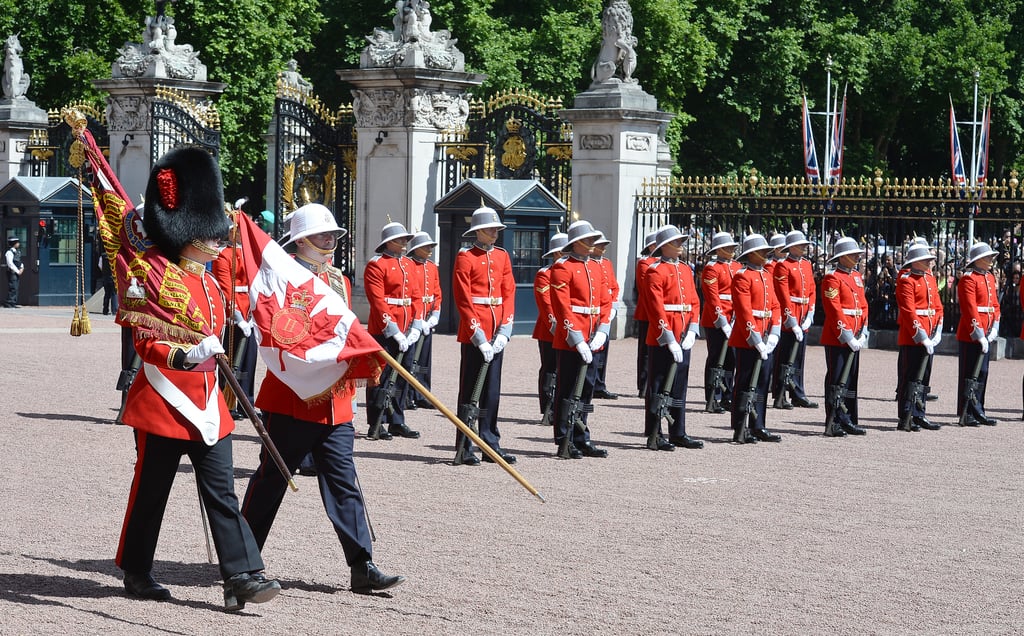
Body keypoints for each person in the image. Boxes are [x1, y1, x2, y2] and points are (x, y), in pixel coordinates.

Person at [114, 147, 280, 610]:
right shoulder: (150, 273)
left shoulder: (209, 281)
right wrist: (186, 355)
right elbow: (145, 341)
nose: (215, 238)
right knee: (152, 491)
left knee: (222, 490)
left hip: (208, 400)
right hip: (165, 399)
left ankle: (241, 576)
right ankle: (137, 569)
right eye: (205, 229)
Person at [241, 202, 405, 595]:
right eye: (322, 234)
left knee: (344, 482)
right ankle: (243, 558)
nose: (330, 240)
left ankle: (361, 564)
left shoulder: (339, 280)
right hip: (294, 396)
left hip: (336, 398)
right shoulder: (282, 276)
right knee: (272, 480)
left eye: (333, 234)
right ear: (300, 240)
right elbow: (286, 333)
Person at [452, 205, 517, 465]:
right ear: (478, 231)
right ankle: (465, 444)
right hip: (475, 332)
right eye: (490, 229)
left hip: (496, 327)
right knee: (469, 390)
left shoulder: (502, 256)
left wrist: (505, 329)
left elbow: (509, 292)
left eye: (496, 228)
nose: (495, 232)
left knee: (492, 391)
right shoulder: (465, 256)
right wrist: (477, 334)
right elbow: (463, 298)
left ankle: (490, 442)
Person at [549, 220, 612, 459]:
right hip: (572, 337)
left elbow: (605, 301)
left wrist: (603, 330)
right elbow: (563, 307)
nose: (592, 244)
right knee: (567, 388)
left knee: (586, 388)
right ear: (576, 243)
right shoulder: (562, 267)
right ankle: (564, 437)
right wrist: (577, 338)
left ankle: (581, 435)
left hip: (594, 333)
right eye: (588, 240)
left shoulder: (595, 267)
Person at [643, 225, 702, 451]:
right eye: (676, 242)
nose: (680, 246)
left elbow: (695, 302)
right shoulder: (655, 271)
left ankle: (678, 431)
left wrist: (692, 329)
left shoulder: (685, 270)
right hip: (663, 334)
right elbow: (656, 308)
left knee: (680, 384)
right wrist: (668, 337)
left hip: (684, 330)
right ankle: (655, 433)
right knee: (658, 384)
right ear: (664, 246)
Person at [363, 222, 423, 440]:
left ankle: (397, 419)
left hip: (407, 327)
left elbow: (416, 296)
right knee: (380, 376)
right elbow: (378, 301)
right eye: (401, 240)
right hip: (385, 329)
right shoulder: (377, 265)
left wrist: (416, 324)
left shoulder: (407, 264)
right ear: (389, 242)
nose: (405, 243)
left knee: (403, 375)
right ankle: (376, 422)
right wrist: (393, 330)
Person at [729, 233, 782, 444]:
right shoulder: (743, 276)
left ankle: (758, 424)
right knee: (744, 382)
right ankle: (740, 426)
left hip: (766, 335)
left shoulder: (767, 275)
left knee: (762, 382)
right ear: (751, 255)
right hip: (747, 338)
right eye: (762, 252)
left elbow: (775, 305)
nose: (766, 255)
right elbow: (744, 311)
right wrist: (755, 338)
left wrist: (774, 331)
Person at [819, 236, 869, 437]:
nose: (857, 256)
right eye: (853, 254)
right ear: (843, 257)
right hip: (838, 336)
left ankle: (848, 418)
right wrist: (847, 334)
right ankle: (834, 420)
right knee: (837, 379)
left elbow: (863, 305)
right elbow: (834, 310)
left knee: (850, 380)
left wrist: (863, 330)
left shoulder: (856, 276)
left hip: (855, 334)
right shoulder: (832, 278)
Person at [212, 216, 257, 419]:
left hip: (251, 312)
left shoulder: (249, 255)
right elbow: (225, 289)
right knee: (232, 361)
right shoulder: (224, 256)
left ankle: (246, 402)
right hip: (235, 315)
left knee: (249, 360)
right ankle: (229, 402)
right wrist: (237, 316)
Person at [895, 244, 943, 432]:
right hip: (914, 336)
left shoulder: (929, 279)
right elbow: (909, 311)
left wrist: (937, 331)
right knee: (910, 376)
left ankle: (919, 413)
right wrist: (921, 336)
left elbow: (937, 306)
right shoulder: (907, 280)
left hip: (930, 333)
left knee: (924, 377)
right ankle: (906, 414)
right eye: (925, 260)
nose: (929, 263)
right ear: (915, 262)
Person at [955, 242, 1000, 426]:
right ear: (978, 259)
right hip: (971, 333)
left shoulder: (989, 277)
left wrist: (994, 327)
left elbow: (994, 305)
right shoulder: (968, 278)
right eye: (988, 257)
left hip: (987, 332)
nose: (991, 260)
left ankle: (978, 408)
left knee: (982, 373)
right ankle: (966, 411)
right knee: (969, 373)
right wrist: (979, 333)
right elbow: (970, 309)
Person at [772, 230, 818, 409]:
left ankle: (797, 392)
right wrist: (790, 318)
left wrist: (810, 313)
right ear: (791, 247)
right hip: (789, 314)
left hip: (803, 312)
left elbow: (812, 289)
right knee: (784, 356)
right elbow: (783, 295)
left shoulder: (806, 264)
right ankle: (780, 392)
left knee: (799, 356)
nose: (804, 248)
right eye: (801, 245)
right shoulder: (783, 265)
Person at [700, 231, 741, 413]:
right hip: (716, 319)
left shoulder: (737, 266)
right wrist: (722, 319)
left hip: (734, 318)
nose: (732, 250)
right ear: (719, 250)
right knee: (716, 358)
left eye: (732, 247)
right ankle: (713, 396)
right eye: (728, 247)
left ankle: (727, 395)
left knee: (731, 359)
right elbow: (712, 296)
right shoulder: (712, 268)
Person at [532, 232, 568, 425]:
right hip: (549, 330)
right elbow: (546, 304)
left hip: (568, 329)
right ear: (555, 254)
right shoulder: (544, 274)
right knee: (550, 368)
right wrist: (556, 326)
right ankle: (548, 405)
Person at [405, 231, 442, 410]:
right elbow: (412, 294)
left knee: (424, 362)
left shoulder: (432, 267)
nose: (429, 250)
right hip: (414, 319)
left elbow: (437, 292)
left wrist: (435, 314)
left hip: (428, 317)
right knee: (411, 359)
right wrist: (418, 319)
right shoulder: (409, 265)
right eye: (426, 247)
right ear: (416, 249)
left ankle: (422, 393)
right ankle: (407, 394)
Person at [591, 232, 620, 400]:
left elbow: (614, 287)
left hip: (607, 310)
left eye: (604, 245)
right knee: (594, 349)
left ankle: (600, 383)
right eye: (600, 245)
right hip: (596, 311)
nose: (603, 248)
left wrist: (614, 306)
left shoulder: (607, 263)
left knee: (604, 350)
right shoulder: (590, 263)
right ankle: (591, 382)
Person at [633, 231, 657, 397]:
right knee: (646, 351)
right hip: (647, 313)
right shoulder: (644, 263)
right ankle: (644, 383)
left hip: (663, 313)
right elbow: (646, 289)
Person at [4, 236, 24, 308]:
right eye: (17, 242)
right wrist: (17, 271)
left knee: (16, 287)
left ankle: (13, 302)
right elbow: (10, 263)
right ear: (13, 243)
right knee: (13, 287)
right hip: (12, 272)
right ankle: (9, 302)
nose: (18, 244)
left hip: (17, 272)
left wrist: (22, 268)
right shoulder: (9, 252)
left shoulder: (18, 252)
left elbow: (19, 261)